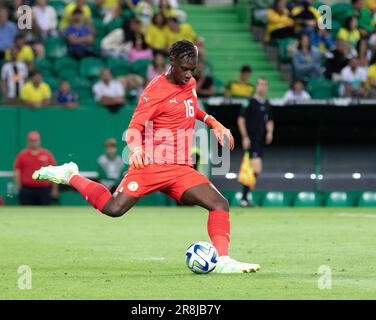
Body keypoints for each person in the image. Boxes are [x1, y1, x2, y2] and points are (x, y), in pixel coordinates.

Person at [33, 40, 260, 273]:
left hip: (181, 168)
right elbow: (134, 127)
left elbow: (190, 107)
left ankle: (222, 261)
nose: (189, 74)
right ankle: (70, 175)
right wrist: (136, 150)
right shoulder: (154, 92)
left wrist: (213, 122)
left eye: (193, 69)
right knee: (114, 208)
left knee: (219, 204)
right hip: (151, 164)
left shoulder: (189, 82)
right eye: (184, 68)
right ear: (172, 62)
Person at [237, 78, 274, 208]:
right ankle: (244, 198)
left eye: (264, 85)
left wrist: (270, 132)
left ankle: (246, 198)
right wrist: (245, 137)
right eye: (259, 84)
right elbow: (241, 120)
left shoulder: (267, 103)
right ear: (256, 86)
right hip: (251, 140)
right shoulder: (250, 102)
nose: (261, 87)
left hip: (260, 140)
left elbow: (269, 120)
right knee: (253, 168)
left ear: (267, 87)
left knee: (255, 169)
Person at [14, 131, 58, 205]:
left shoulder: (47, 154)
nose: (34, 143)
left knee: (45, 212)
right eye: (31, 141)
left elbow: (53, 172)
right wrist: (18, 186)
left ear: (39, 141)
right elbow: (17, 171)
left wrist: (54, 189)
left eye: (35, 141)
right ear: (28, 142)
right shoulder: (22, 155)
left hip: (44, 189)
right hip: (27, 189)